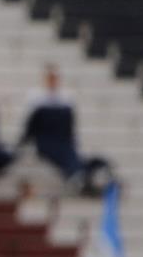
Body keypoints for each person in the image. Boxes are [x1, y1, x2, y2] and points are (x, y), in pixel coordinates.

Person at [20, 66, 114, 195]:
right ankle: (79, 177)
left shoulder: (66, 100)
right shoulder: (37, 100)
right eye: (50, 78)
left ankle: (82, 176)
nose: (52, 81)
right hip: (46, 142)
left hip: (63, 141)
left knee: (72, 156)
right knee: (66, 157)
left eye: (55, 78)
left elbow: (69, 128)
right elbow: (30, 128)